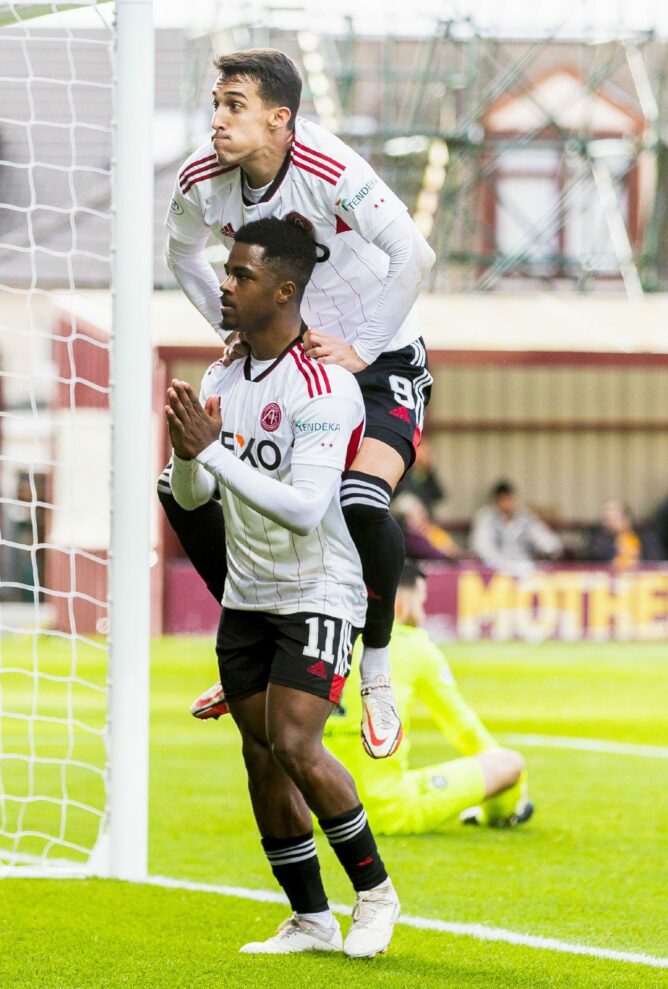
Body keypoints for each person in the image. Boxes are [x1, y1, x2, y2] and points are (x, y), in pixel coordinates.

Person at [159, 47, 436, 757]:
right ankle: (252, 639)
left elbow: (415, 254)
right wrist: (231, 328)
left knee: (360, 502)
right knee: (182, 489)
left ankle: (376, 667)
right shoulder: (200, 179)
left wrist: (365, 348)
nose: (218, 120)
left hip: (380, 357)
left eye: (235, 106)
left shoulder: (329, 168)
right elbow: (181, 256)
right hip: (288, 363)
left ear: (280, 119)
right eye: (216, 104)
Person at [165, 216, 399, 957]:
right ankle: (310, 918)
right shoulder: (221, 377)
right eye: (227, 271)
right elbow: (195, 498)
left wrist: (212, 454)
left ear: (285, 291)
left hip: (319, 589)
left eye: (241, 274)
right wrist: (188, 459)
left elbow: (302, 508)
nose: (224, 285)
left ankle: (376, 896)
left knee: (296, 742)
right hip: (248, 594)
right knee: (261, 753)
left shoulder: (326, 388)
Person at [193, 563, 533, 835]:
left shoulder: (315, 638)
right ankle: (502, 813)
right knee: (508, 763)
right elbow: (464, 729)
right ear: (401, 605)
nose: (422, 614)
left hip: (313, 808)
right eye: (421, 604)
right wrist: (510, 791)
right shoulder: (415, 646)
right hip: (388, 810)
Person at [470, 480, 562, 574]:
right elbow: (483, 548)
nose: (507, 502)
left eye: (509, 498)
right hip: (495, 569)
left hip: (525, 567)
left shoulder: (524, 516)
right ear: (496, 500)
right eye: (503, 499)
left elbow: (546, 539)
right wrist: (505, 566)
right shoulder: (486, 518)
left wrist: (549, 550)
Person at [585, 497, 660, 571]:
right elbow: (596, 563)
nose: (609, 524)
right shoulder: (599, 541)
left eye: (614, 519)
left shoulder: (645, 537)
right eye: (607, 520)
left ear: (627, 518)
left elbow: (656, 561)